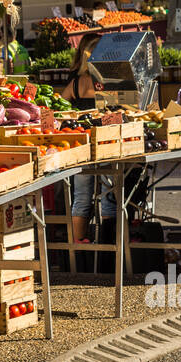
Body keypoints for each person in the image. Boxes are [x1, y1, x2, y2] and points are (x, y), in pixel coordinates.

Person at [62, 34, 116, 246]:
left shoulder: (76, 83)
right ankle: (111, 245)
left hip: (82, 146)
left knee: (81, 197)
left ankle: (79, 245)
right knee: (109, 196)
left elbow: (59, 109)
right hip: (106, 144)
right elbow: (119, 109)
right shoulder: (107, 83)